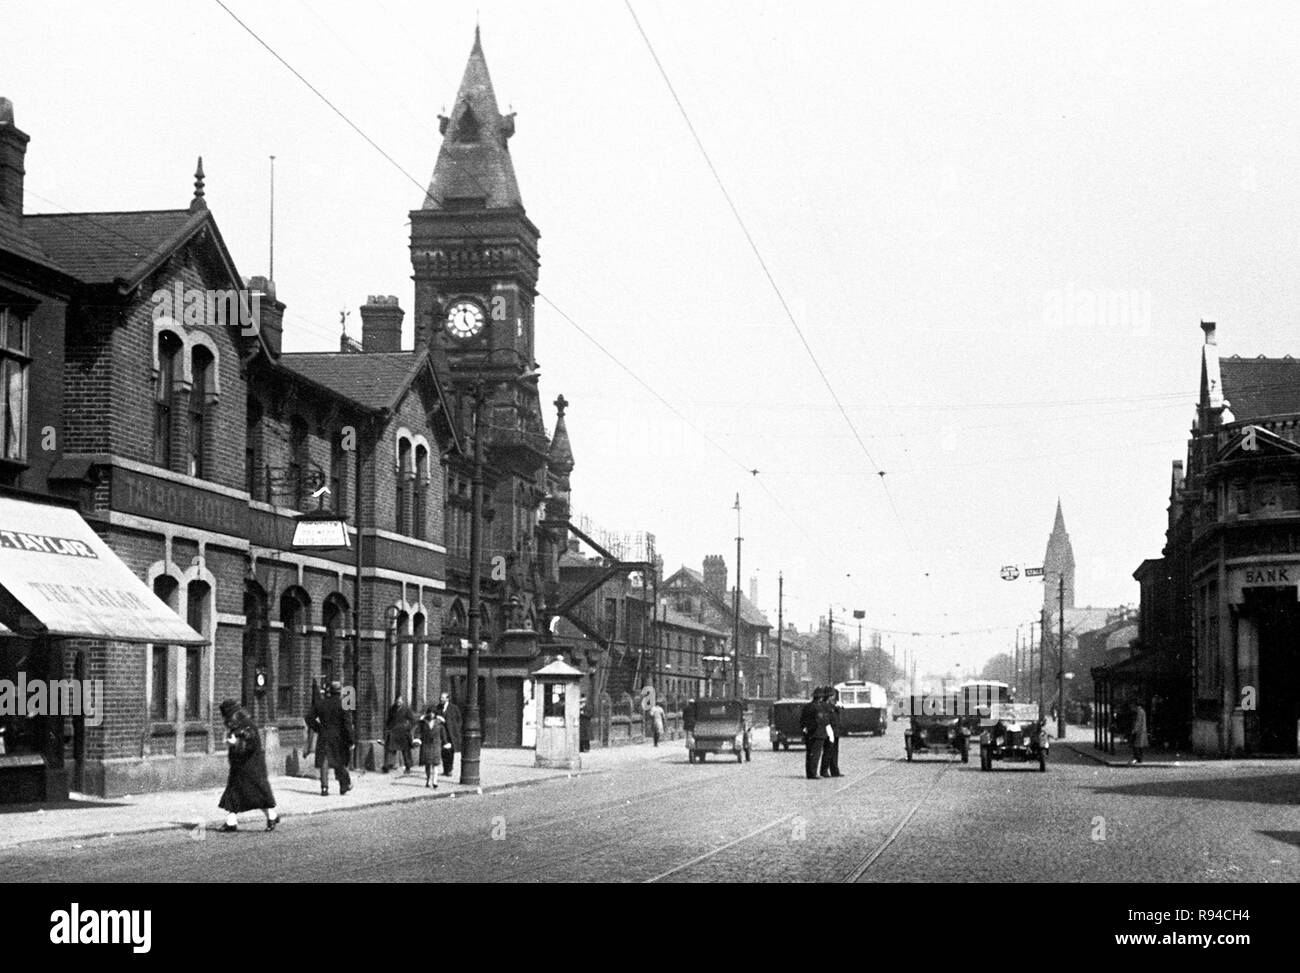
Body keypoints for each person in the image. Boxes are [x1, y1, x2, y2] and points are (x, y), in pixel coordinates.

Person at [217, 699, 279, 832]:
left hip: (250, 766)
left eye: (227, 716)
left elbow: (250, 744)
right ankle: (231, 821)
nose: (226, 720)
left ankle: (271, 816)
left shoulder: (247, 725)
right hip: (240, 765)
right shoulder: (238, 725)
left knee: (256, 793)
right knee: (234, 792)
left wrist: (234, 743)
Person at [309, 680, 353, 796]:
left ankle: (324, 788)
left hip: (324, 736)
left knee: (324, 761)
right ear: (340, 692)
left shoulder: (321, 703)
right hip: (339, 737)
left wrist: (318, 728)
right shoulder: (343, 705)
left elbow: (309, 718)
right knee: (340, 761)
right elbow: (347, 724)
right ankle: (344, 785)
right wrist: (351, 740)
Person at [416, 706, 451, 788]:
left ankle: (435, 781)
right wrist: (417, 739)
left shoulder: (439, 723)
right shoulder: (423, 723)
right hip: (426, 744)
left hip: (436, 744)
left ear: (435, 714)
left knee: (435, 764)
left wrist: (445, 743)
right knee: (427, 764)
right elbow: (418, 732)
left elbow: (443, 734)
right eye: (430, 713)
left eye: (433, 713)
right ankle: (428, 780)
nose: (431, 714)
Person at [800, 688, 829, 780]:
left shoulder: (807, 706)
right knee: (816, 754)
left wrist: (806, 729)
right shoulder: (818, 708)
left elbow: (802, 720)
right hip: (817, 734)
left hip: (808, 733)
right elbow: (820, 720)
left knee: (809, 753)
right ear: (820, 698)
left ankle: (809, 773)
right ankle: (813, 773)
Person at [383, 694, 416, 774]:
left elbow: (413, 721)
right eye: (397, 701)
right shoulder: (392, 709)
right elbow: (389, 720)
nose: (398, 702)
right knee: (391, 749)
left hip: (403, 733)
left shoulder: (407, 709)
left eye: (400, 701)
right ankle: (388, 765)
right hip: (394, 732)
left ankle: (408, 767)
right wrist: (388, 728)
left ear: (402, 701)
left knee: (405, 751)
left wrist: (407, 727)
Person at [436, 691, 462, 778]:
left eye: (443, 698)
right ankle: (445, 769)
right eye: (440, 697)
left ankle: (450, 769)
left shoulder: (454, 708)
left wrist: (456, 729)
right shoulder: (438, 708)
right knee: (443, 751)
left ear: (447, 699)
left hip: (451, 734)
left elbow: (459, 720)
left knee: (450, 752)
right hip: (442, 733)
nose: (441, 699)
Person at [820, 686, 844, 778]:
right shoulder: (826, 706)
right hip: (829, 732)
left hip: (835, 732)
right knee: (828, 752)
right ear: (830, 696)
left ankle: (834, 770)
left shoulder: (833, 706)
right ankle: (824, 771)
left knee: (834, 752)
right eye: (832, 695)